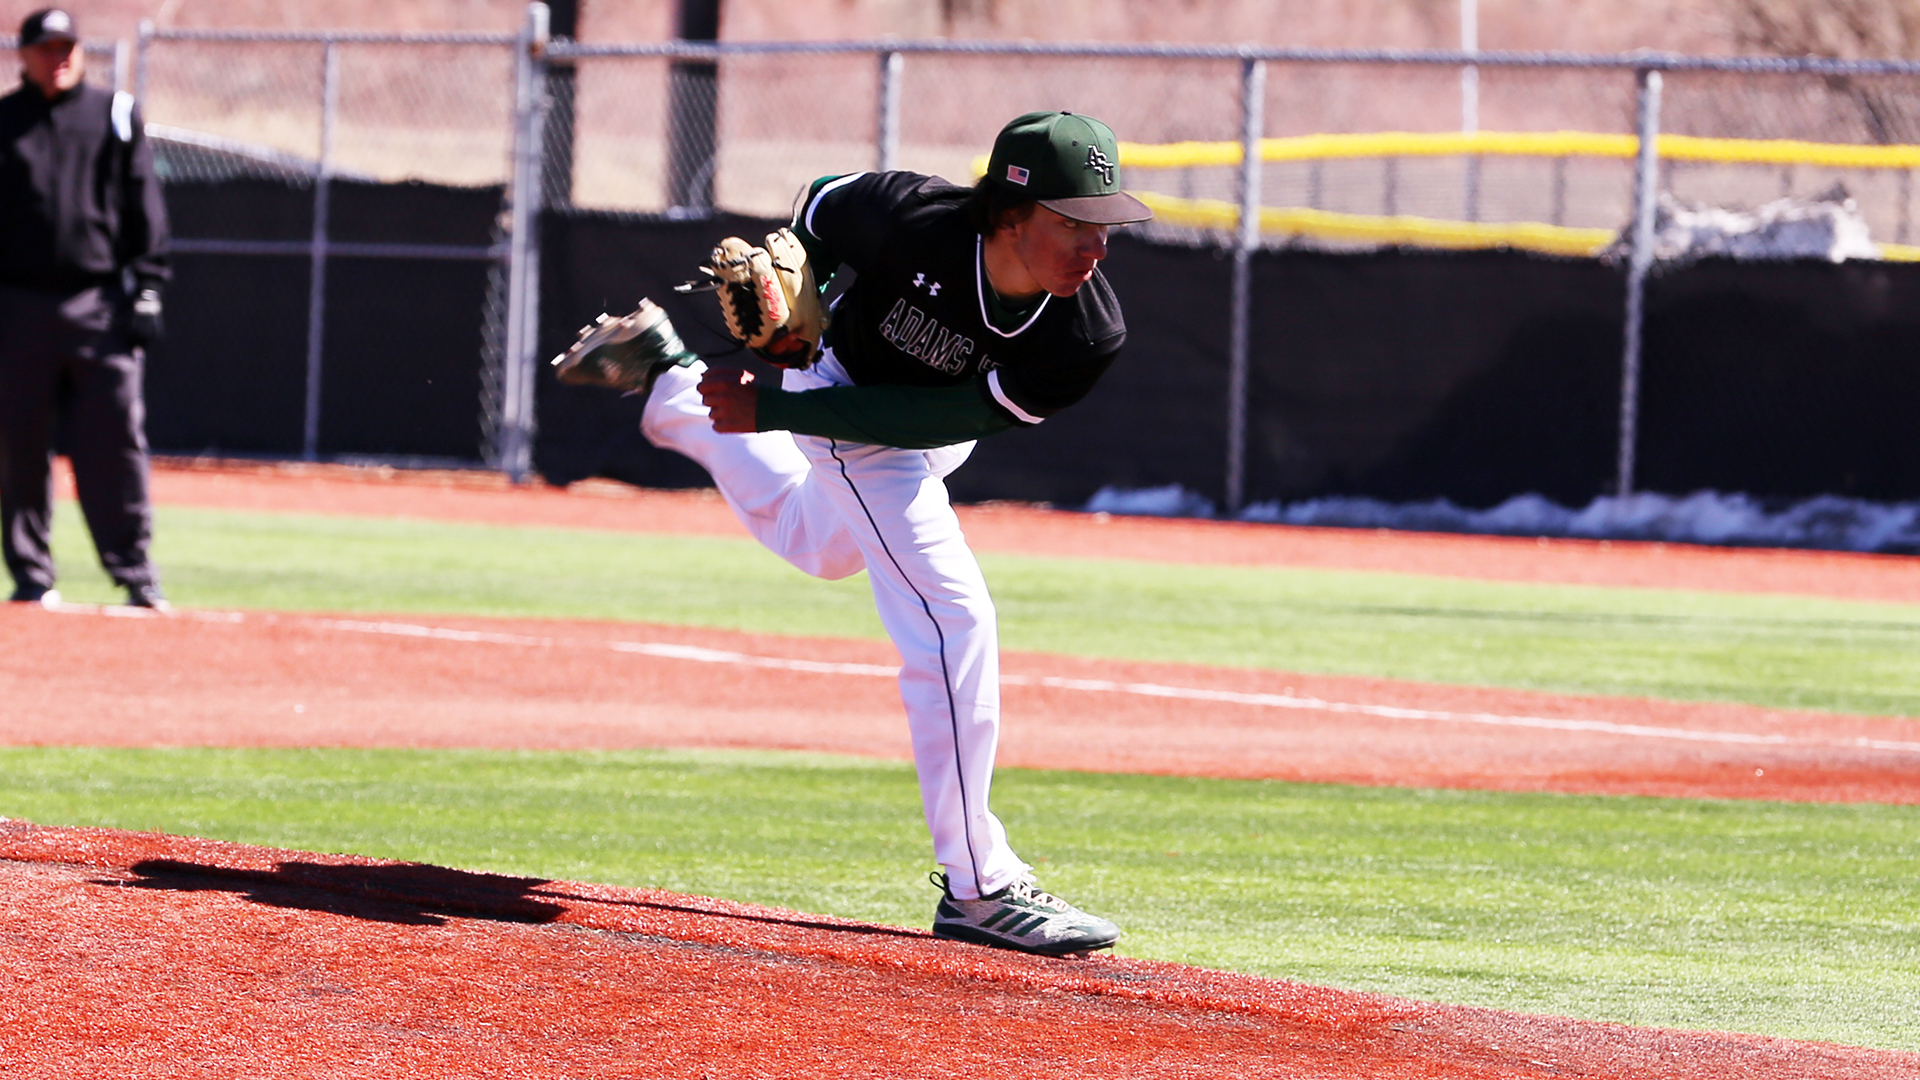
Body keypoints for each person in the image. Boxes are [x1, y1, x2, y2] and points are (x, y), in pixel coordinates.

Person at [557, 111, 1149, 956]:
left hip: (917, 417)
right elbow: (826, 206)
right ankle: (978, 885)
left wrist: (774, 409)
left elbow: (939, 413)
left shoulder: (1086, 329)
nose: (1096, 245)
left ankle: (672, 387)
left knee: (818, 543)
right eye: (1074, 222)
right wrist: (809, 287)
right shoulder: (912, 217)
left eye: (1106, 224)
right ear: (1009, 213)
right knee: (954, 618)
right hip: (848, 392)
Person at [0, 8, 171, 610]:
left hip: (99, 304)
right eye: (47, 47)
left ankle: (136, 574)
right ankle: (31, 576)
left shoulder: (114, 116)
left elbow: (143, 208)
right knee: (20, 447)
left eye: (68, 46)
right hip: (19, 306)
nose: (60, 56)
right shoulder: (4, 122)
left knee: (115, 441)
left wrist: (148, 286)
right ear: (23, 55)